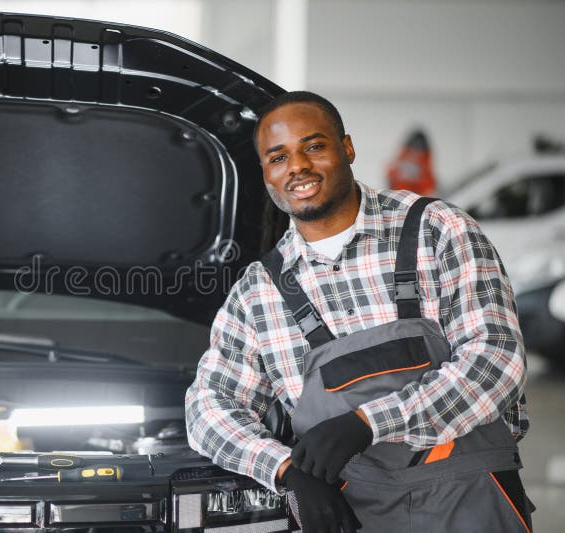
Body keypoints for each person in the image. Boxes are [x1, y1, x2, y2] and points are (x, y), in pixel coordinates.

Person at [185, 91, 532, 532]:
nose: (298, 167)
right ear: (267, 174)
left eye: (314, 146)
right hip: (352, 514)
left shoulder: (439, 230)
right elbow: (208, 408)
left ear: (346, 148)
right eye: (279, 157)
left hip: (472, 500)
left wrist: (368, 423)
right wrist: (284, 470)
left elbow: (495, 359)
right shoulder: (260, 292)